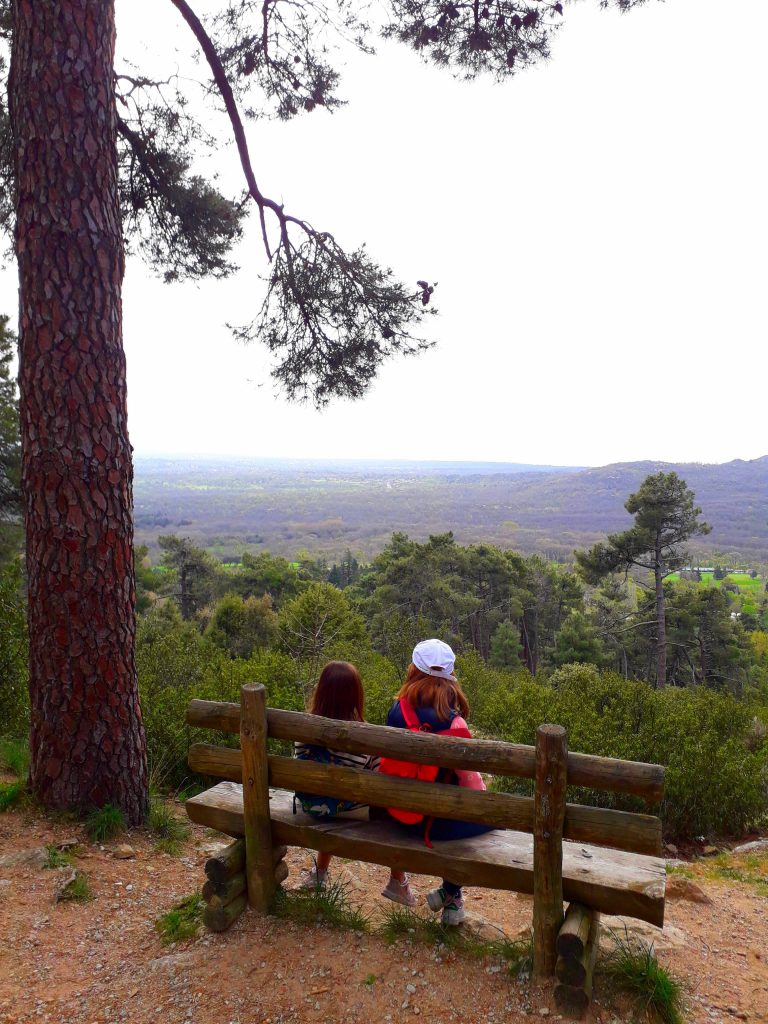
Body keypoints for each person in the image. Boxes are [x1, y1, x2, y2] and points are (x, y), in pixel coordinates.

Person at [379, 639, 493, 926]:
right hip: (433, 826)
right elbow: (472, 788)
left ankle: (449, 895)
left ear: (413, 669)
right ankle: (452, 897)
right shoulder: (454, 723)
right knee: (491, 816)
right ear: (451, 675)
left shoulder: (396, 711)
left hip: (396, 815)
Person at [294, 660, 415, 906]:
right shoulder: (366, 737)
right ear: (356, 695)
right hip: (349, 810)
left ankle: (320, 874)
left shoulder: (301, 729)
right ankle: (398, 882)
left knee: (331, 794)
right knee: (390, 809)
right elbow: (379, 784)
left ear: (321, 691)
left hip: (311, 806)